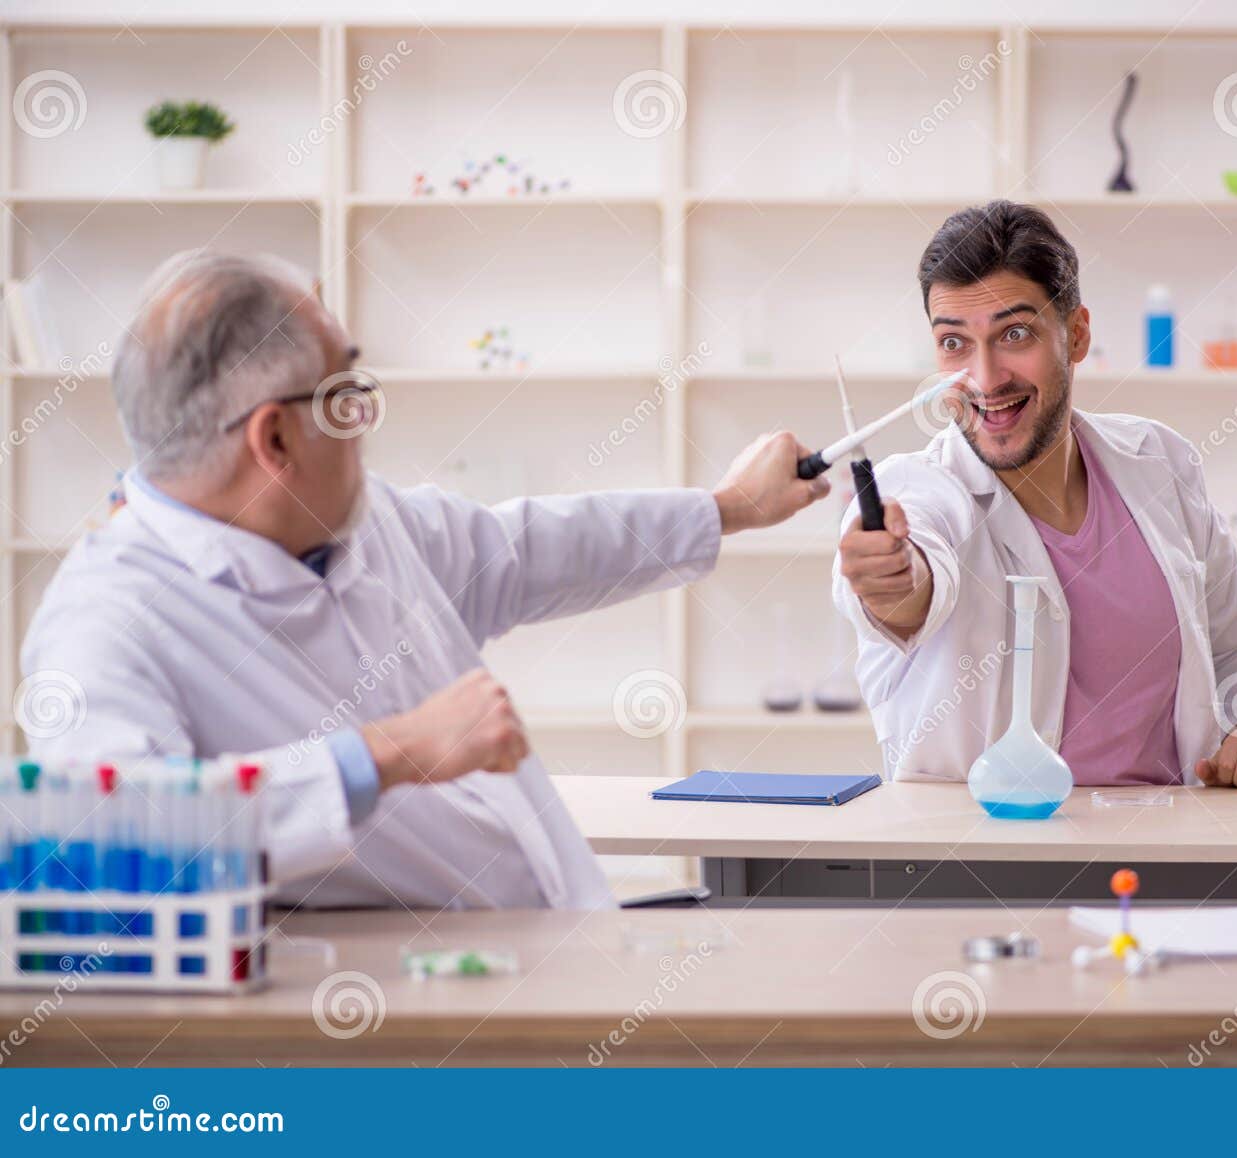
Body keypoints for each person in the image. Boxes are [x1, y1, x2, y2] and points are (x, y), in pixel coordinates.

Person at [21, 250, 830, 909]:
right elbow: (107, 841)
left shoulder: (363, 524)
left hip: (551, 953)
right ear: (274, 441)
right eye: (344, 396)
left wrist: (730, 508)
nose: (365, 426)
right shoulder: (107, 619)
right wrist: (386, 753)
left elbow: (534, 546)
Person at [832, 201, 1237, 790]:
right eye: (954, 344)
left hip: (1171, 851)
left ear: (1076, 335)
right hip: (979, 864)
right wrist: (893, 582)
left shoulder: (1160, 461)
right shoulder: (915, 489)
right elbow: (914, 583)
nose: (985, 377)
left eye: (1015, 334)